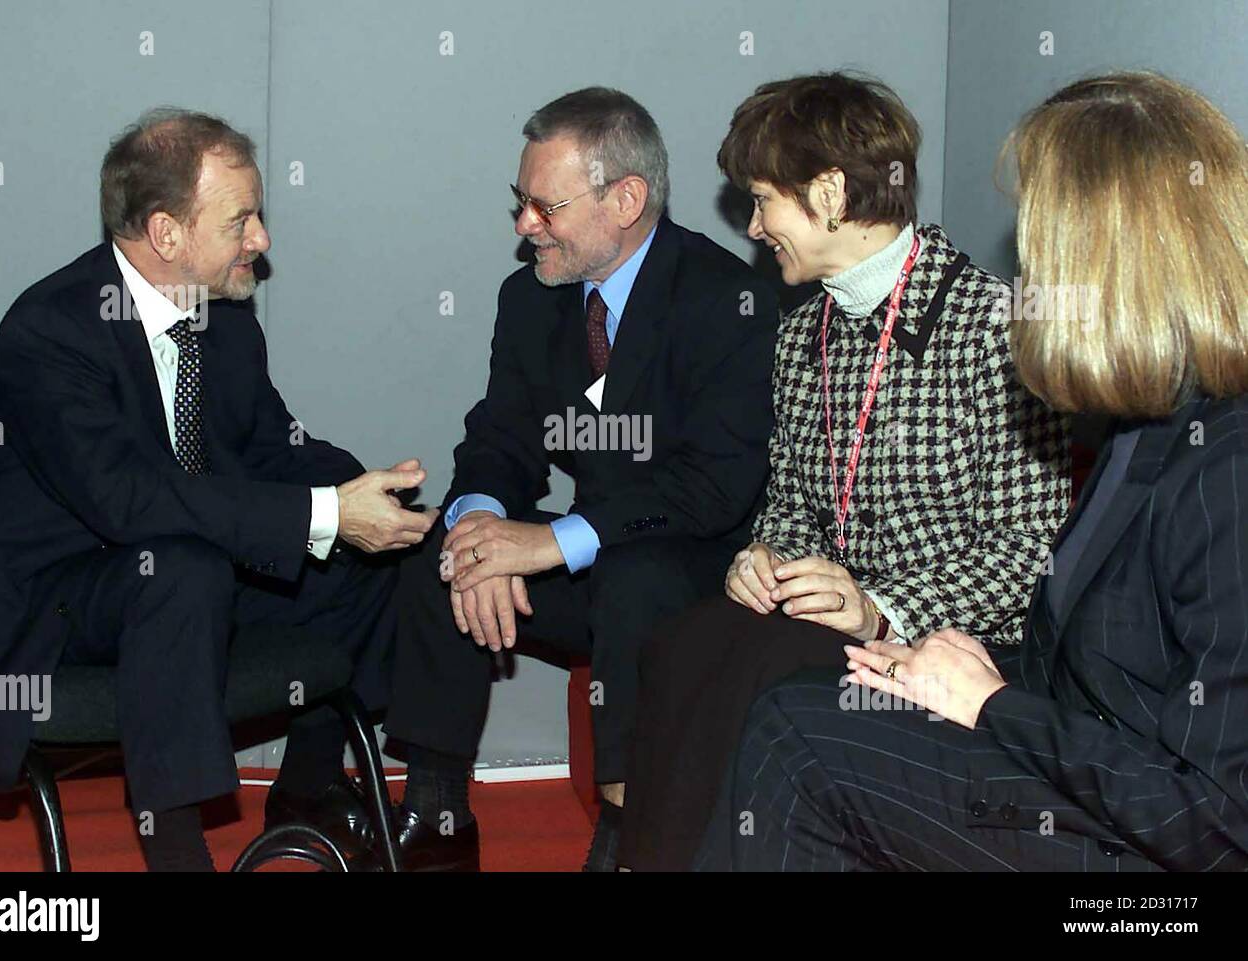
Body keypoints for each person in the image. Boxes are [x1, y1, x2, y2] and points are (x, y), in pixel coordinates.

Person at [697, 71, 1248, 872]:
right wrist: (946, 670)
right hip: (1090, 785)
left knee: (801, 736)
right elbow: (1101, 674)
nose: (1023, 270)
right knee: (800, 706)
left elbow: (1219, 822)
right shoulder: (1147, 425)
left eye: (1039, 237)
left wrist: (988, 704)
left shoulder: (1225, 471)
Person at [0, 109, 437, 871]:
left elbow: (275, 449)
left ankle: (307, 788)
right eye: (241, 218)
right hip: (51, 601)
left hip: (170, 582)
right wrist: (326, 513)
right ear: (167, 232)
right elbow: (128, 502)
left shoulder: (223, 320)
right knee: (182, 564)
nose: (262, 239)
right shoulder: (52, 331)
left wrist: (368, 496)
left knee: (372, 558)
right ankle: (176, 853)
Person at [619, 72, 1071, 871]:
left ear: (828, 194)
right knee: (681, 642)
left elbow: (1029, 553)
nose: (754, 226)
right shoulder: (803, 340)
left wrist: (878, 608)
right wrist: (760, 564)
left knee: (759, 666)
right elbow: (790, 512)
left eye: (762, 200)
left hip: (954, 643)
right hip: (823, 627)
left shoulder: (995, 326)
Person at [382, 87, 780, 871]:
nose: (526, 225)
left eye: (544, 206)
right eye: (518, 202)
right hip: (598, 557)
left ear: (626, 199)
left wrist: (550, 541)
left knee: (636, 576)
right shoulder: (530, 298)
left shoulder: (725, 299)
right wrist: (479, 528)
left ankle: (627, 838)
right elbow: (501, 436)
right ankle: (436, 814)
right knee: (435, 549)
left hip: (698, 566)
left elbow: (716, 486)